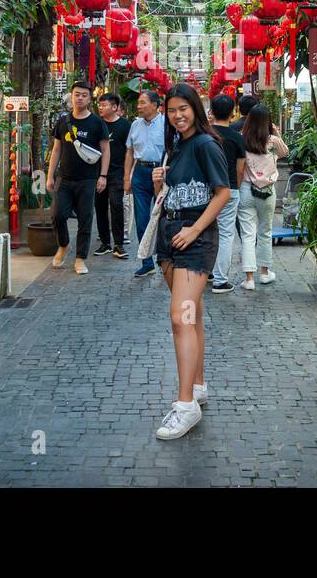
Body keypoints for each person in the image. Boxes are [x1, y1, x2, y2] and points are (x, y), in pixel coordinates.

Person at [152, 84, 231, 441]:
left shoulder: (205, 143)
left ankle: (185, 406)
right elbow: (175, 194)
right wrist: (159, 185)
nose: (178, 115)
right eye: (172, 110)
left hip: (194, 241)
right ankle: (197, 385)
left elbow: (223, 192)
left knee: (180, 316)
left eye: (183, 109)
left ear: (196, 109)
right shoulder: (177, 145)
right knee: (192, 313)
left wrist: (195, 229)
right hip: (170, 235)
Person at [46, 82, 110, 275]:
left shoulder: (97, 123)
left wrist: (103, 176)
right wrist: (49, 176)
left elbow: (106, 150)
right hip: (64, 178)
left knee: (85, 219)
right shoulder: (63, 121)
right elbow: (56, 150)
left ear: (89, 99)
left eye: (84, 95)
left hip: (88, 179)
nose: (80, 98)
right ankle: (63, 245)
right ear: (71, 97)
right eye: (76, 94)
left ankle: (80, 258)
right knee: (57, 215)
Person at [237, 104, 288, 291]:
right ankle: (265, 273)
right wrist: (276, 132)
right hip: (267, 191)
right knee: (265, 232)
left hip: (246, 189)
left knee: (248, 234)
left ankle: (249, 278)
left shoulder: (243, 139)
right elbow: (285, 153)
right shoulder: (273, 141)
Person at [207, 94, 246, 294]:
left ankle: (206, 273)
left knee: (206, 231)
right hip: (229, 189)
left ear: (211, 112)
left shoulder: (204, 135)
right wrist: (235, 188)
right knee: (225, 233)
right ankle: (220, 280)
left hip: (207, 190)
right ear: (233, 113)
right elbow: (240, 168)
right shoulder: (237, 137)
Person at [125, 90, 165, 278]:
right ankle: (147, 262)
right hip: (140, 173)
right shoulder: (135, 125)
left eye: (143, 103)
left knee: (164, 218)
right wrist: (127, 178)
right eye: (139, 103)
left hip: (161, 173)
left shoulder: (167, 124)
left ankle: (164, 259)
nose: (139, 106)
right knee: (142, 220)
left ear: (156, 105)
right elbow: (129, 152)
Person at [94, 93, 131, 258]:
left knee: (116, 205)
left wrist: (127, 174)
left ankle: (119, 244)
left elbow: (130, 151)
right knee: (100, 207)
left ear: (115, 107)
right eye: (99, 105)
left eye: (104, 105)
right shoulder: (96, 124)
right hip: (98, 172)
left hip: (117, 172)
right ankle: (105, 243)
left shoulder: (125, 126)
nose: (100, 108)